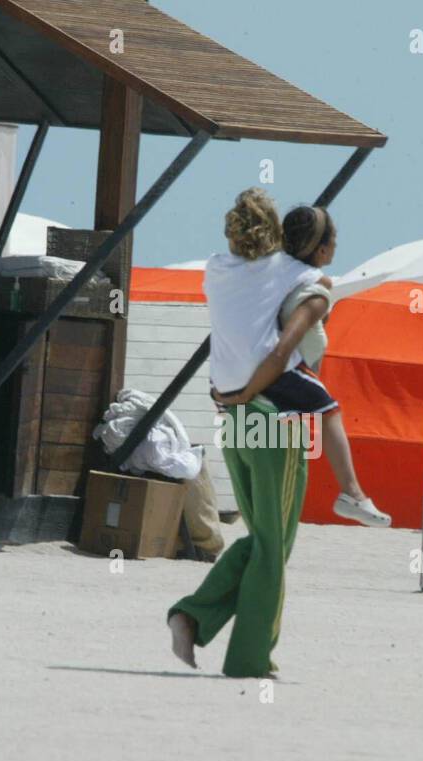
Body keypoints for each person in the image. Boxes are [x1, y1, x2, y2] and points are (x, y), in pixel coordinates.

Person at [166, 189, 327, 678]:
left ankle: (193, 617)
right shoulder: (292, 273)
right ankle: (248, 657)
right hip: (273, 417)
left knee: (262, 539)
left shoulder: (216, 270)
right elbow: (313, 293)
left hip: (231, 419)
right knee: (275, 548)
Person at [218, 204, 390, 527]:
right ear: (322, 249)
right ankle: (351, 492)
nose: (338, 247)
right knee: (329, 409)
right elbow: (283, 349)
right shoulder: (310, 291)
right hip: (277, 374)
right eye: (334, 242)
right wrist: (247, 391)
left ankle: (351, 494)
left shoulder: (277, 274)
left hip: (253, 380)